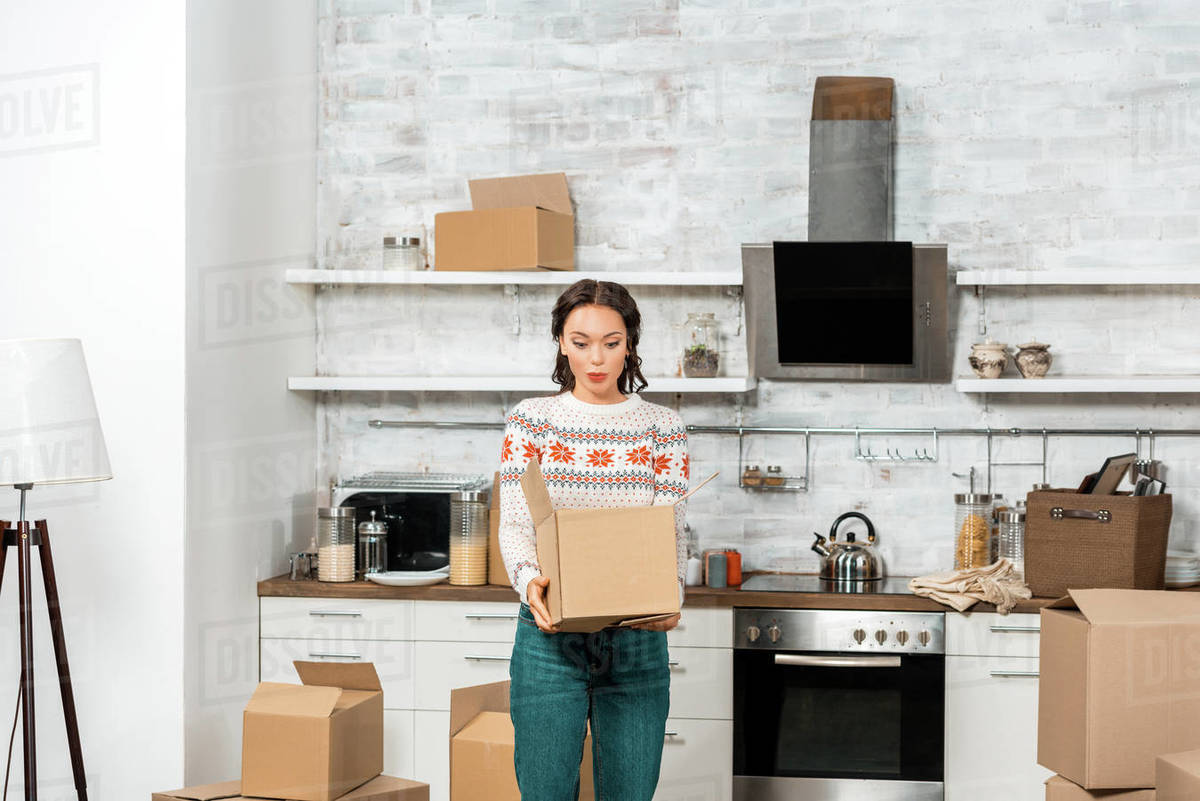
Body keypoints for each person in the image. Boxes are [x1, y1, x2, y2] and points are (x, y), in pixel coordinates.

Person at [498, 278, 690, 801]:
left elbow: (669, 531)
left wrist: (671, 596)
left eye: (611, 341)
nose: (597, 358)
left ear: (629, 343)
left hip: (636, 638)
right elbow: (516, 523)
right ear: (561, 341)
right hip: (549, 637)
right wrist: (526, 582)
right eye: (581, 342)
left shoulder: (663, 427)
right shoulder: (530, 421)